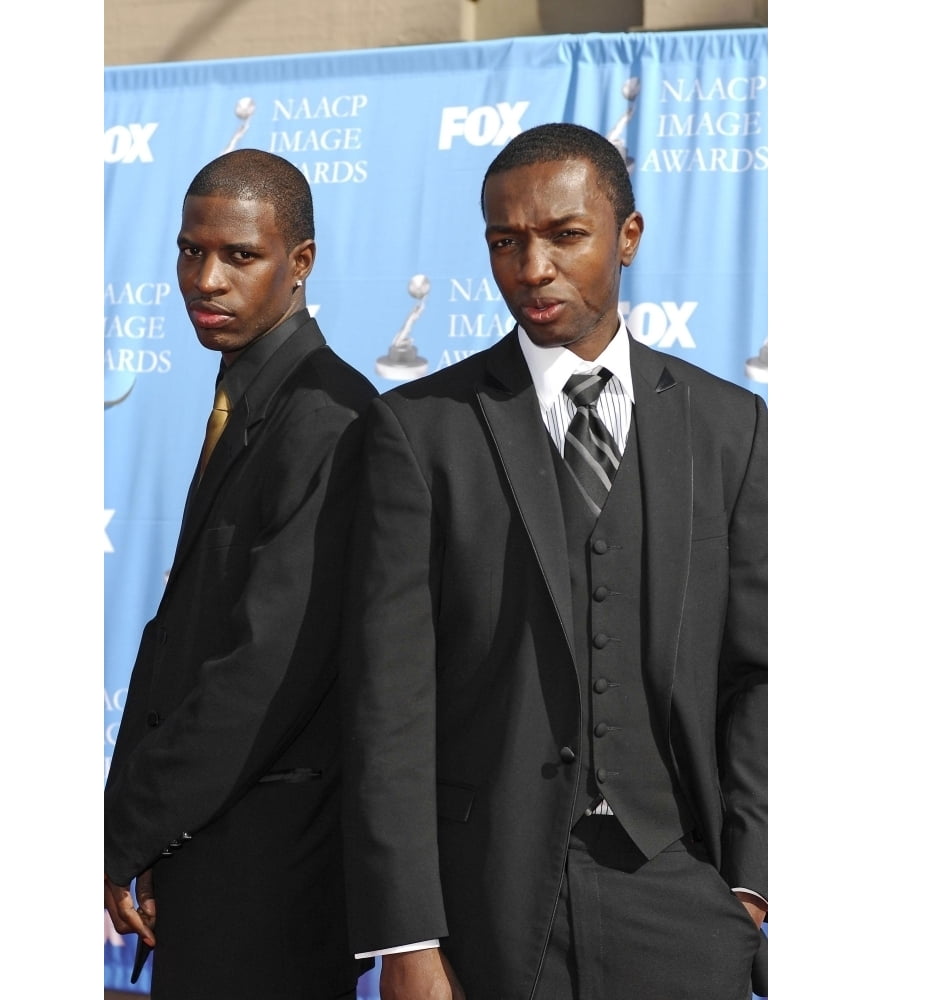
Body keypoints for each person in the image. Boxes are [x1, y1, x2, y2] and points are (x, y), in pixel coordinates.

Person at [340, 123, 767, 1000]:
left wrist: (750, 883)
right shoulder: (419, 430)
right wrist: (406, 935)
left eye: (565, 235)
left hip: (680, 892)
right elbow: (389, 696)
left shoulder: (732, 427)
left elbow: (760, 674)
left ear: (628, 236)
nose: (532, 268)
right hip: (484, 900)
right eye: (505, 242)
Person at [104, 148, 376, 999]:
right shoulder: (252, 393)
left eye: (239, 255)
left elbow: (263, 671)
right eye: (191, 251)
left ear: (300, 262)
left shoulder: (330, 417)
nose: (206, 279)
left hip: (273, 884)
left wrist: (122, 833)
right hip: (206, 858)